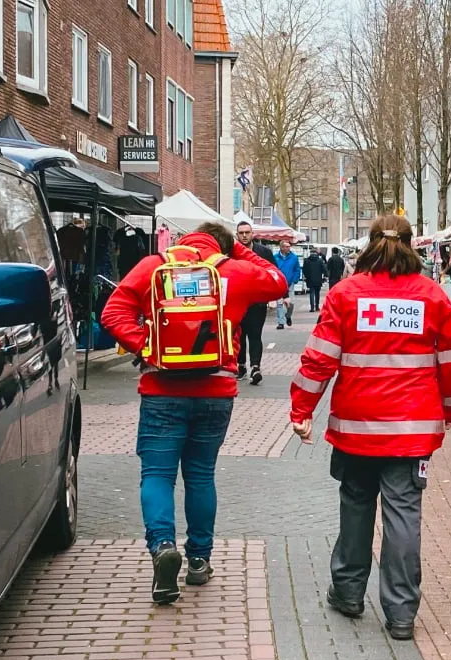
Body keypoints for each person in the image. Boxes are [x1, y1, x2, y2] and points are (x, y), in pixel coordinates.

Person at [291, 215, 451, 641]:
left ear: (370, 245)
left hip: (357, 426)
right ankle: (401, 612)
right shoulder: (432, 296)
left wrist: (302, 410)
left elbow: (319, 358)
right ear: (411, 245)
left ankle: (348, 592)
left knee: (356, 506)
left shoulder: (345, 294)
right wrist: (450, 410)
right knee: (403, 513)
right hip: (412, 429)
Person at [102, 222, 288, 604]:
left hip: (161, 389)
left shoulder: (154, 266)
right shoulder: (234, 270)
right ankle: (199, 560)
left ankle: (162, 546)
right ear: (225, 245)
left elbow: (112, 313)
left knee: (157, 475)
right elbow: (278, 281)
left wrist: (147, 347)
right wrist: (238, 251)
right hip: (215, 389)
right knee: (201, 475)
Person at [235, 216, 278, 384]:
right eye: (241, 233)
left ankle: (255, 367)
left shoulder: (263, 252)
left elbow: (274, 272)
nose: (244, 235)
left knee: (255, 334)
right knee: (239, 335)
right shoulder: (231, 252)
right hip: (238, 301)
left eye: (247, 232)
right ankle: (241, 365)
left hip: (257, 302)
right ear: (237, 235)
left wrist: (274, 296)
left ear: (252, 233)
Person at [273, 240, 302, 329]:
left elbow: (297, 269)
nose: (288, 248)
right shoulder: (275, 257)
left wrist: (295, 279)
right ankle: (281, 322)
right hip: (279, 283)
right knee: (279, 303)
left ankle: (288, 315)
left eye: (289, 246)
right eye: (286, 247)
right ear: (281, 247)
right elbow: (272, 269)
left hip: (290, 283)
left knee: (291, 303)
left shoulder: (294, 257)